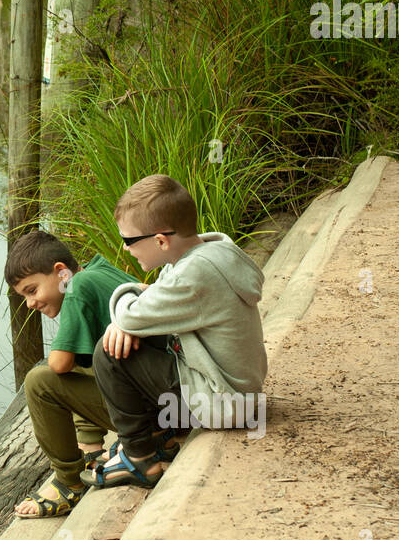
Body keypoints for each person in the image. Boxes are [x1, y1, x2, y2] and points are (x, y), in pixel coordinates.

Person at [83, 174, 267, 491]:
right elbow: (145, 313)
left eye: (128, 241)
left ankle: (139, 457)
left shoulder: (191, 275)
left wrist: (126, 301)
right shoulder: (214, 252)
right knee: (136, 333)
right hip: (237, 393)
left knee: (107, 352)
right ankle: (157, 435)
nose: (125, 250)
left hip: (224, 405)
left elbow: (129, 314)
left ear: (160, 241)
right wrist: (133, 316)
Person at [4, 230, 154, 518]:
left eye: (32, 291)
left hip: (152, 414)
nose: (30, 304)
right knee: (84, 356)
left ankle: (68, 482)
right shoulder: (97, 268)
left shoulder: (76, 288)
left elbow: (60, 365)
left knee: (39, 380)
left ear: (61, 273)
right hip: (166, 399)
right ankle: (90, 448)